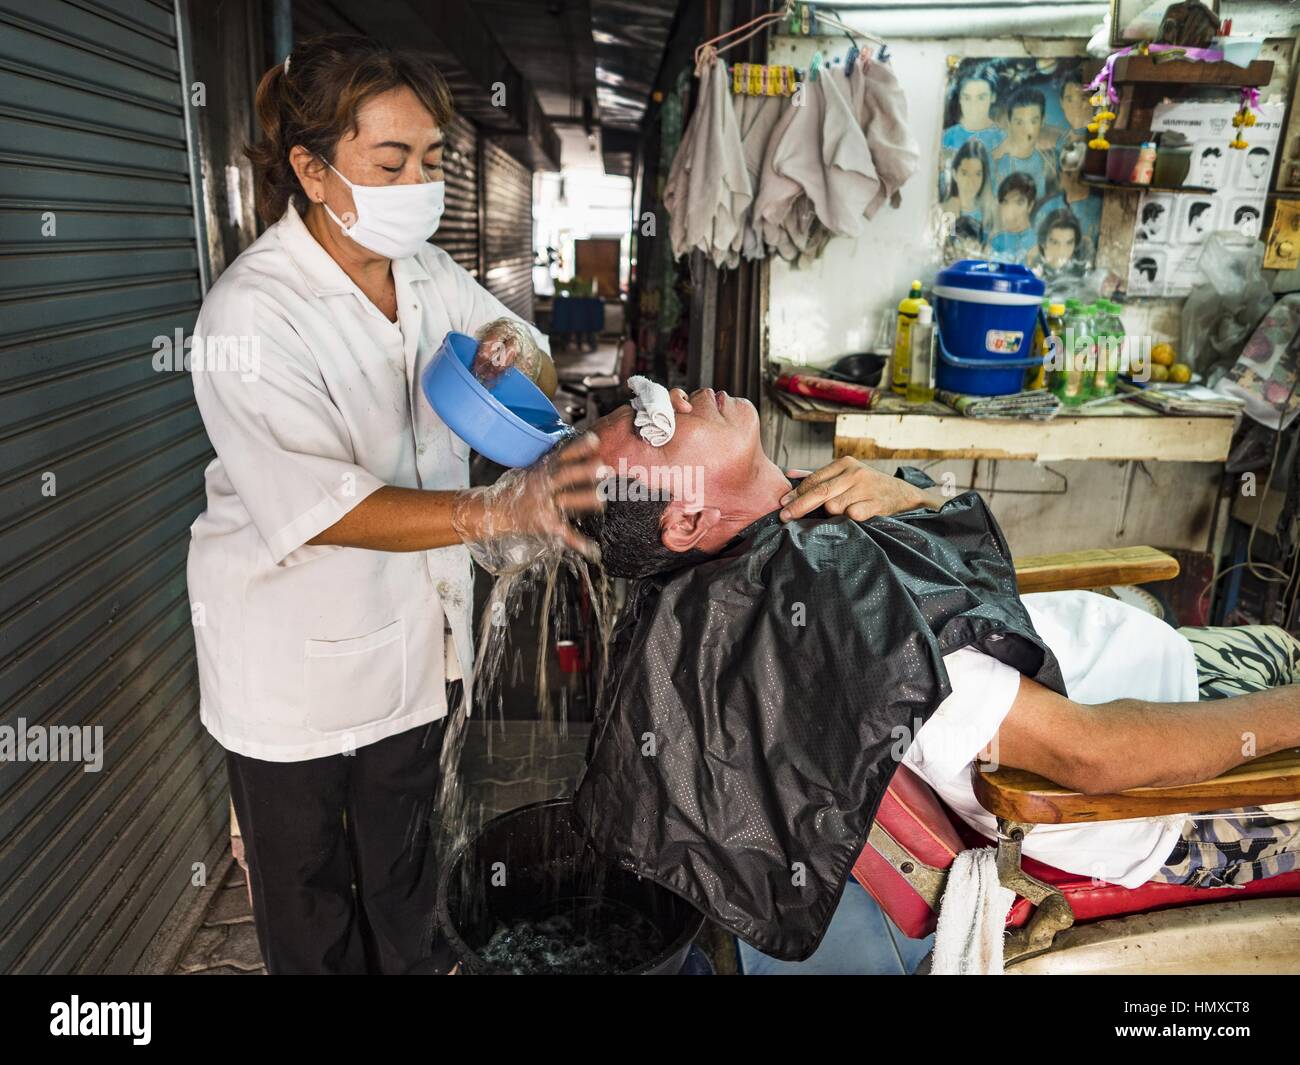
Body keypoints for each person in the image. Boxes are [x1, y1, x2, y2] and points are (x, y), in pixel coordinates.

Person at [185, 34, 605, 974]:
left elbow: (519, 345)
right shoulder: (252, 314)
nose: (421, 180)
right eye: (392, 160)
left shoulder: (418, 272)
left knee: (410, 881)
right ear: (313, 167)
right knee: (309, 906)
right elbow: (323, 506)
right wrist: (494, 515)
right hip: (292, 662)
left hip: (418, 643)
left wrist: (510, 351)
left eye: (432, 159)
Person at [580, 387, 1300, 895]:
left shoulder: (803, 523)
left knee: (1277, 642)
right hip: (1173, 791)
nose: (672, 396)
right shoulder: (847, 625)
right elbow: (1091, 752)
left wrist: (916, 503)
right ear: (686, 520)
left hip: (1153, 663)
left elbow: (977, 601)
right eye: (652, 422)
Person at [991, 87, 1059, 204]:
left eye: (1033, 121)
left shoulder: (1051, 161)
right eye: (1019, 122)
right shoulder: (997, 166)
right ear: (1009, 122)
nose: (1027, 130)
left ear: (1042, 121)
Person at [942, 65, 1004, 153]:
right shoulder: (945, 139)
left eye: (981, 98)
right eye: (967, 98)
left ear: (993, 97)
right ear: (960, 98)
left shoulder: (1003, 140)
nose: (973, 105)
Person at [939, 138, 996, 226]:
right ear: (954, 174)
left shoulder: (988, 215)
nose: (971, 181)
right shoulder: (945, 210)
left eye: (977, 174)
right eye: (965, 173)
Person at [990, 172, 1038, 261]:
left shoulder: (1038, 243)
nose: (1011, 210)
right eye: (1005, 202)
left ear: (1030, 206)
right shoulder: (995, 242)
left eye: (1019, 203)